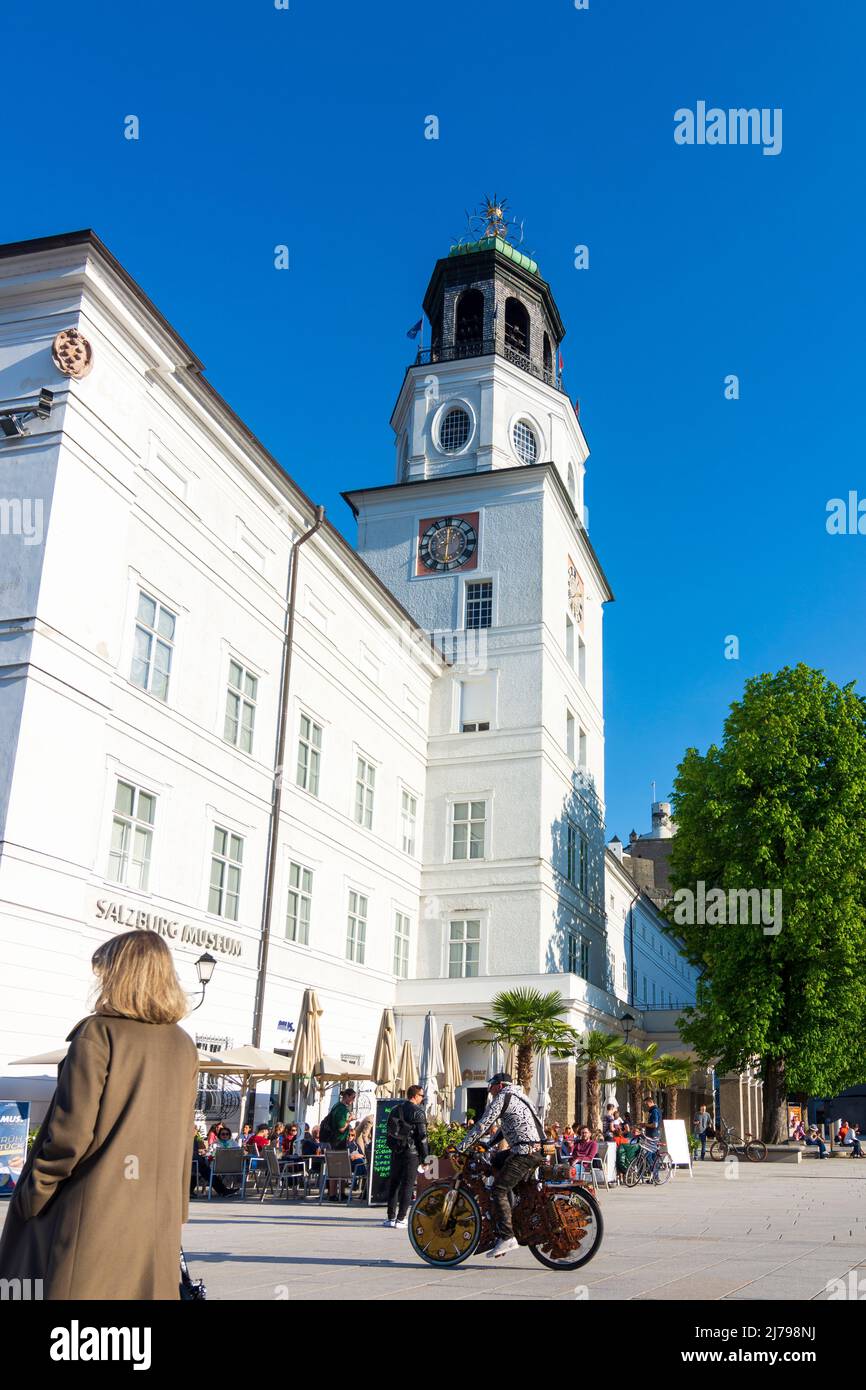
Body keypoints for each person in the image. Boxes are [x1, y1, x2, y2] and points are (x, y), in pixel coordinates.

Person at [0, 930, 199, 1300]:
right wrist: (177, 1212)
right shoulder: (183, 1044)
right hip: (155, 1219)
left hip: (94, 1211)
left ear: (123, 974)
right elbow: (183, 1139)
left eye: (106, 971)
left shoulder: (98, 1034)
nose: (102, 981)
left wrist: (33, 1192)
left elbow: (69, 1135)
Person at [457, 1072, 547, 1261]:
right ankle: (510, 1210)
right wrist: (488, 1145)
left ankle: (507, 1236)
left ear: (500, 1085)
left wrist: (462, 1147)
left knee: (498, 1189)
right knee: (497, 1161)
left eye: (491, 1084)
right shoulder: (520, 1096)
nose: (489, 1089)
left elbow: (483, 1125)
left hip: (525, 1151)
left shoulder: (502, 1098)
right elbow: (508, 1127)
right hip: (535, 1148)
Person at [383, 1086, 429, 1228]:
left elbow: (389, 1130)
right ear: (415, 1096)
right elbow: (422, 1137)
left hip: (396, 1150)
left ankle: (390, 1218)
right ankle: (401, 1219)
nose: (423, 1098)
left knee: (394, 1184)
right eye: (422, 1095)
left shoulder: (396, 1109)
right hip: (411, 1152)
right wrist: (425, 1158)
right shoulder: (418, 1112)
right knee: (408, 1185)